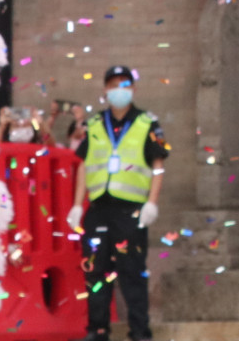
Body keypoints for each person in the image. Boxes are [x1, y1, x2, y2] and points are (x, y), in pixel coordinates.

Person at [67, 66, 168, 341]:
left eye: (124, 84)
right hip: (99, 210)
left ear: (133, 89)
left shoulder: (147, 122)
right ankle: (97, 330)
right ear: (105, 90)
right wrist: (78, 205)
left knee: (131, 272)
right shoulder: (96, 123)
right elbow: (84, 166)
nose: (118, 90)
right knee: (95, 272)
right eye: (113, 85)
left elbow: (158, 164)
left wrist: (152, 203)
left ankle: (139, 332)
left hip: (131, 210)